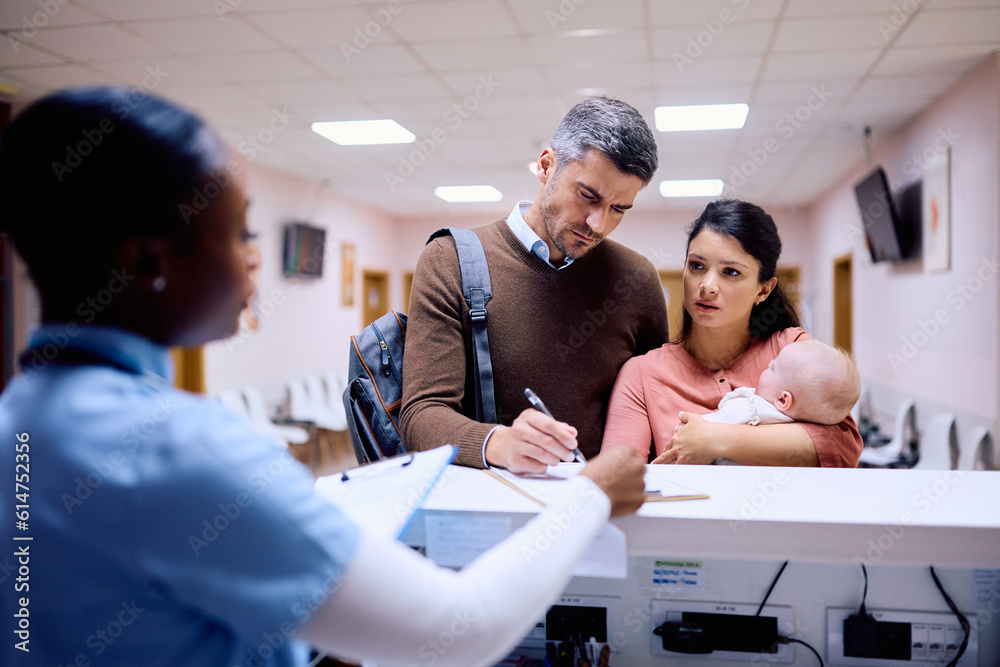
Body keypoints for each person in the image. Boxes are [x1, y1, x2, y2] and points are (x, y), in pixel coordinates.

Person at [0, 87, 647, 667]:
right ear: (144, 262)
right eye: (238, 229)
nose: (255, 257)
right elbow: (459, 628)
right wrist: (589, 496)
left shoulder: (18, 425)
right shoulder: (183, 452)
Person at [401, 97, 669, 473]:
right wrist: (500, 443)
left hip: (602, 509)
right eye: (588, 196)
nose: (598, 223)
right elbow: (421, 416)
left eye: (618, 209)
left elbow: (658, 403)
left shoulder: (637, 279)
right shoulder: (450, 261)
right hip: (489, 511)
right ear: (547, 165)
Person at [601, 199, 863, 467]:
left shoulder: (789, 350)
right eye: (697, 266)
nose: (707, 286)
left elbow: (842, 445)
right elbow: (615, 475)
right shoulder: (642, 374)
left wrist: (715, 440)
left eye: (731, 272)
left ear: (763, 290)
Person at [702, 340, 861, 428]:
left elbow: (703, 429)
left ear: (783, 400)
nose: (769, 362)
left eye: (773, 368)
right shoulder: (797, 428)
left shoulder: (750, 409)